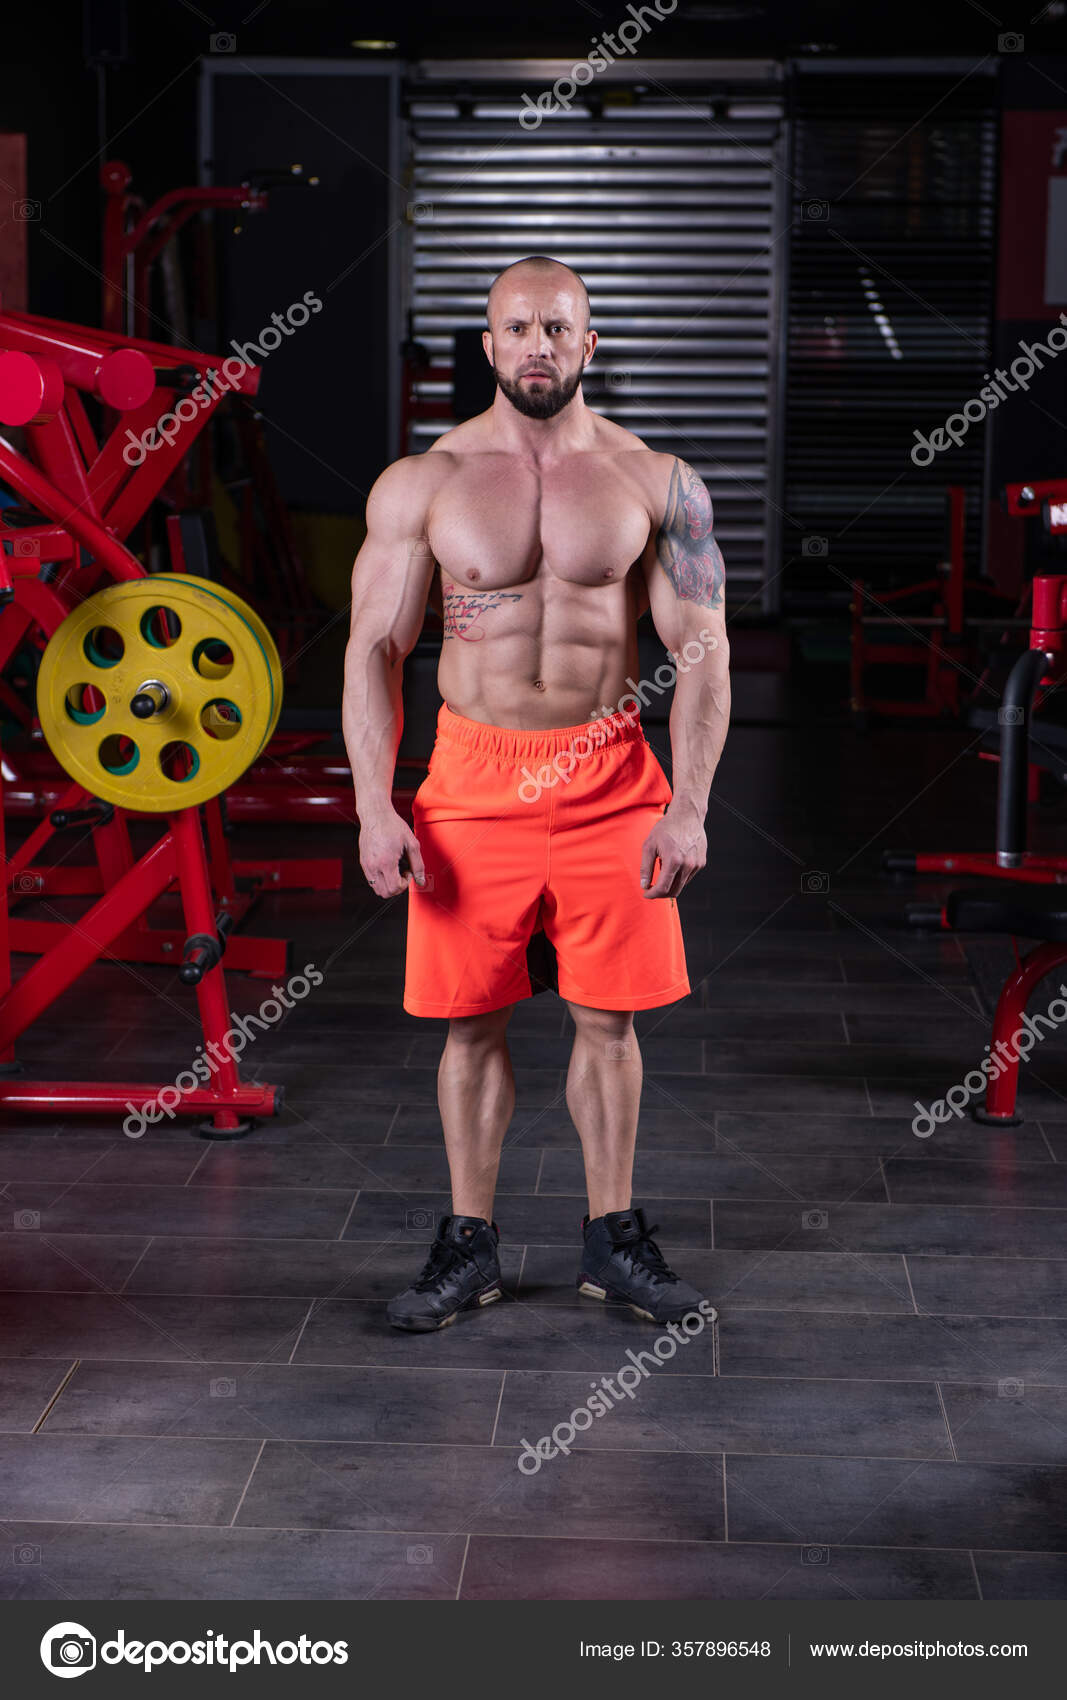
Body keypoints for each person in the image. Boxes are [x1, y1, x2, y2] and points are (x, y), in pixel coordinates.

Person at [342, 255, 731, 1332]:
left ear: (588, 343)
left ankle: (615, 1239)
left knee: (607, 1023)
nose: (537, 346)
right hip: (469, 780)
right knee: (469, 1025)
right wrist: (377, 805)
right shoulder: (422, 481)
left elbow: (701, 649)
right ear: (488, 344)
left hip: (610, 774)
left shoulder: (655, 481)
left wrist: (688, 801)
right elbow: (375, 646)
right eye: (517, 328)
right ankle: (470, 1245)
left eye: (557, 328)